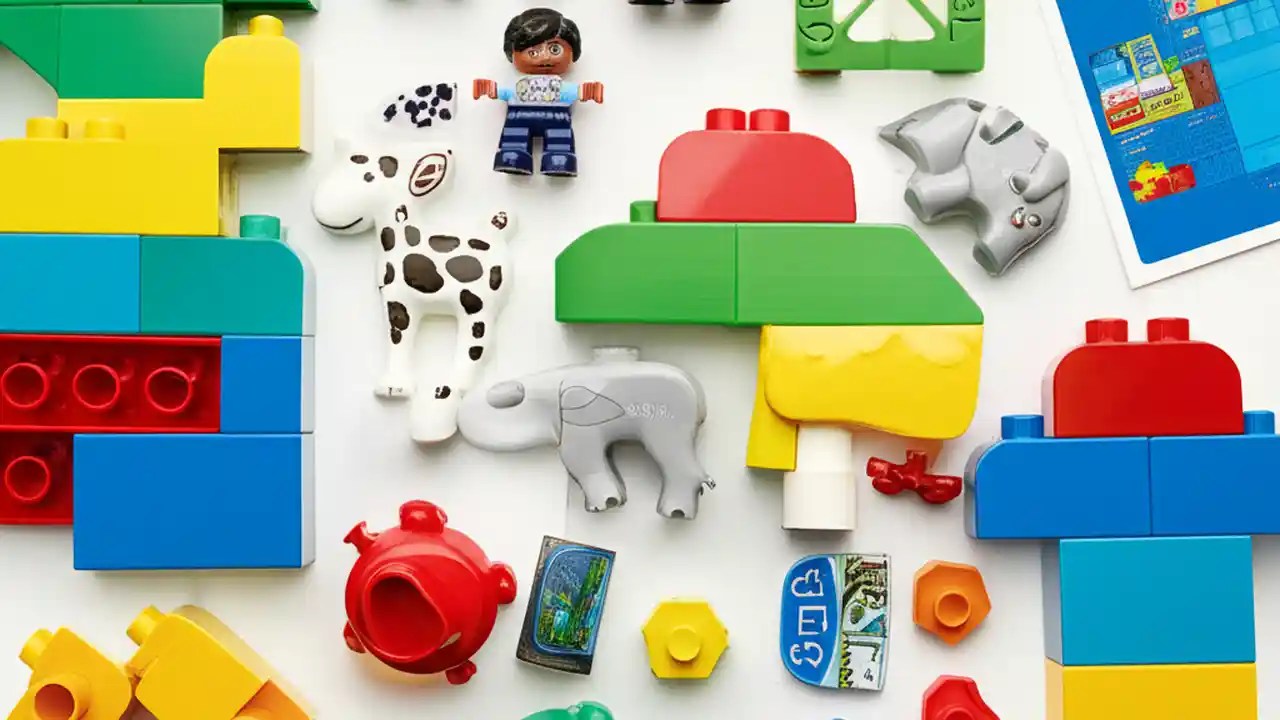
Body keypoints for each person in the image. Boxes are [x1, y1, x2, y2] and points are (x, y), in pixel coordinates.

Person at [474, 8, 604, 177]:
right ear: (512, 54)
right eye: (533, 52)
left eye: (555, 50)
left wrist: (588, 91)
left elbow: (577, 92)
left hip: (556, 118)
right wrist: (490, 89)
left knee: (560, 141)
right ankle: (513, 157)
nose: (545, 58)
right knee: (514, 138)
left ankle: (559, 160)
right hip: (519, 117)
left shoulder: (563, 87)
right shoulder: (518, 86)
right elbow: (506, 92)